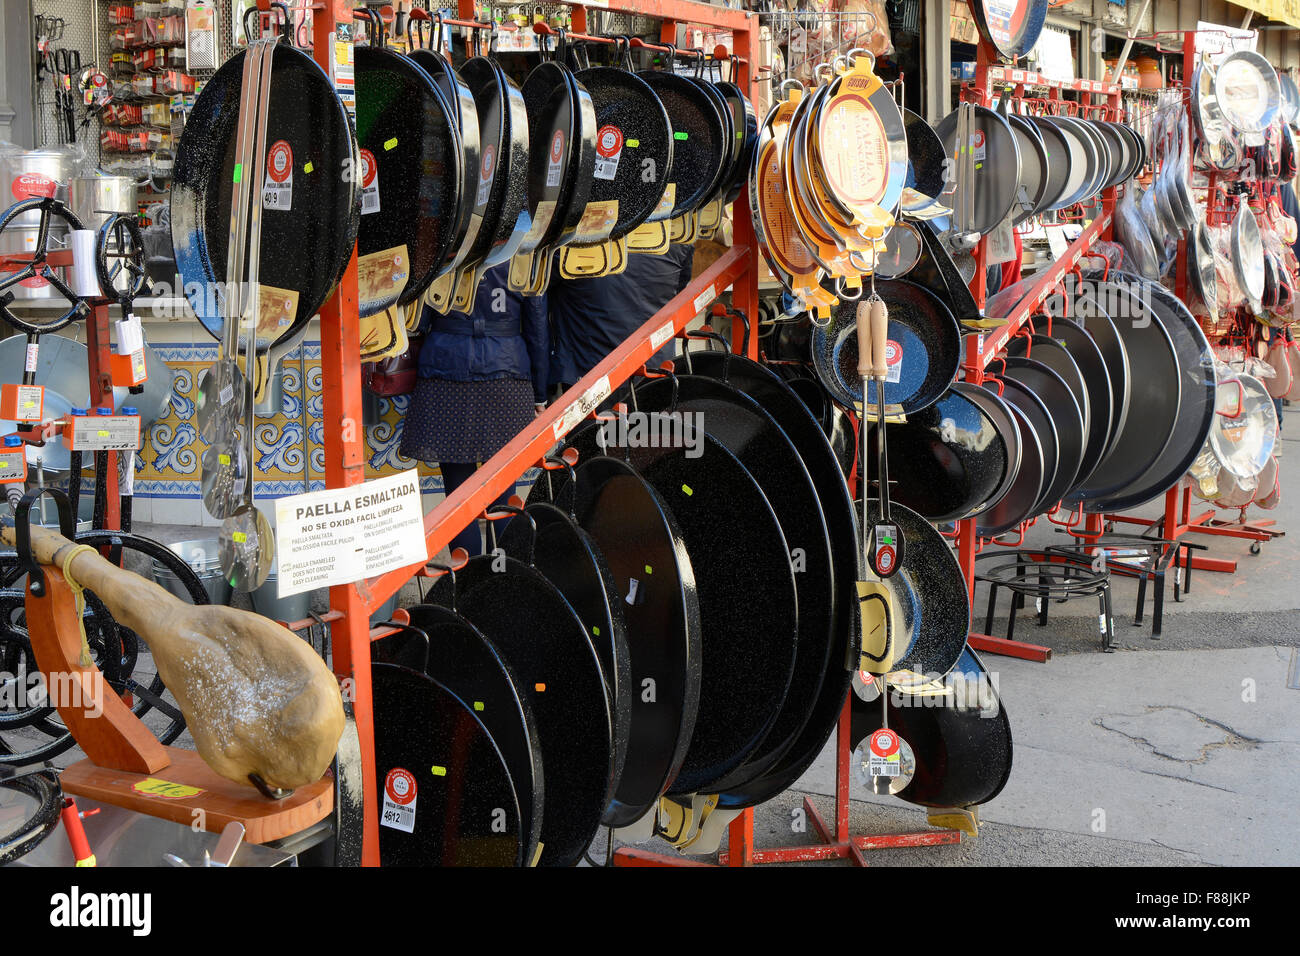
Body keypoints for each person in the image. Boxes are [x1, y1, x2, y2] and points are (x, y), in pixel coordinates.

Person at [400, 263, 549, 556]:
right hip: (508, 373)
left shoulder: (445, 248)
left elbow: (416, 320)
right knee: (504, 485)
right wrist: (541, 392)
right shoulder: (526, 252)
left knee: (457, 490)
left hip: (446, 368)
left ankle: (467, 578)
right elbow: (538, 329)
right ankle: (501, 574)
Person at [547, 244, 695, 392]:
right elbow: (679, 295)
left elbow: (536, 290)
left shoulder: (573, 247)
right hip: (657, 370)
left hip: (593, 377)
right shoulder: (675, 239)